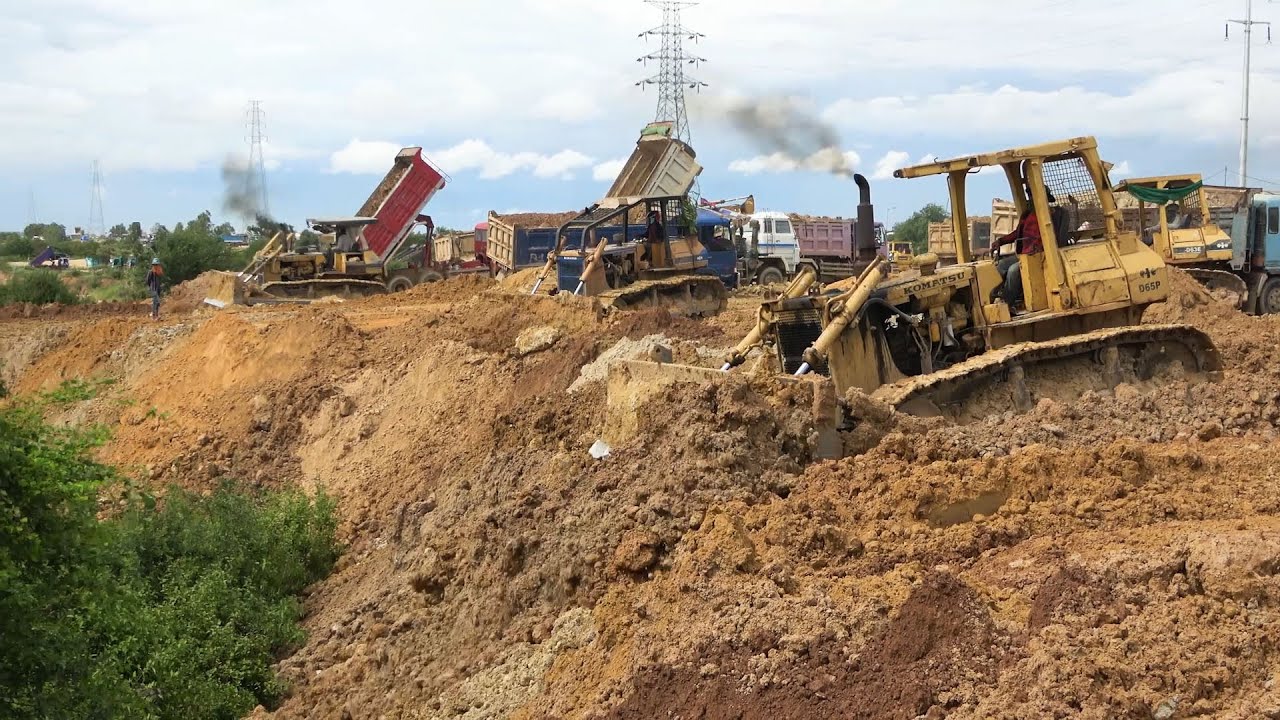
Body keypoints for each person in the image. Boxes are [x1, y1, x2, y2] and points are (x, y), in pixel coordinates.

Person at [995, 203, 1044, 309]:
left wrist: (1035, 248)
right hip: (1023, 254)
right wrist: (1001, 241)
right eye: (1029, 195)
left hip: (1036, 254)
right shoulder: (1026, 215)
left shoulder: (1045, 214)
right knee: (1001, 266)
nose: (1030, 199)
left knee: (1013, 270)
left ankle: (1007, 304)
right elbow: (1017, 233)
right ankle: (992, 298)